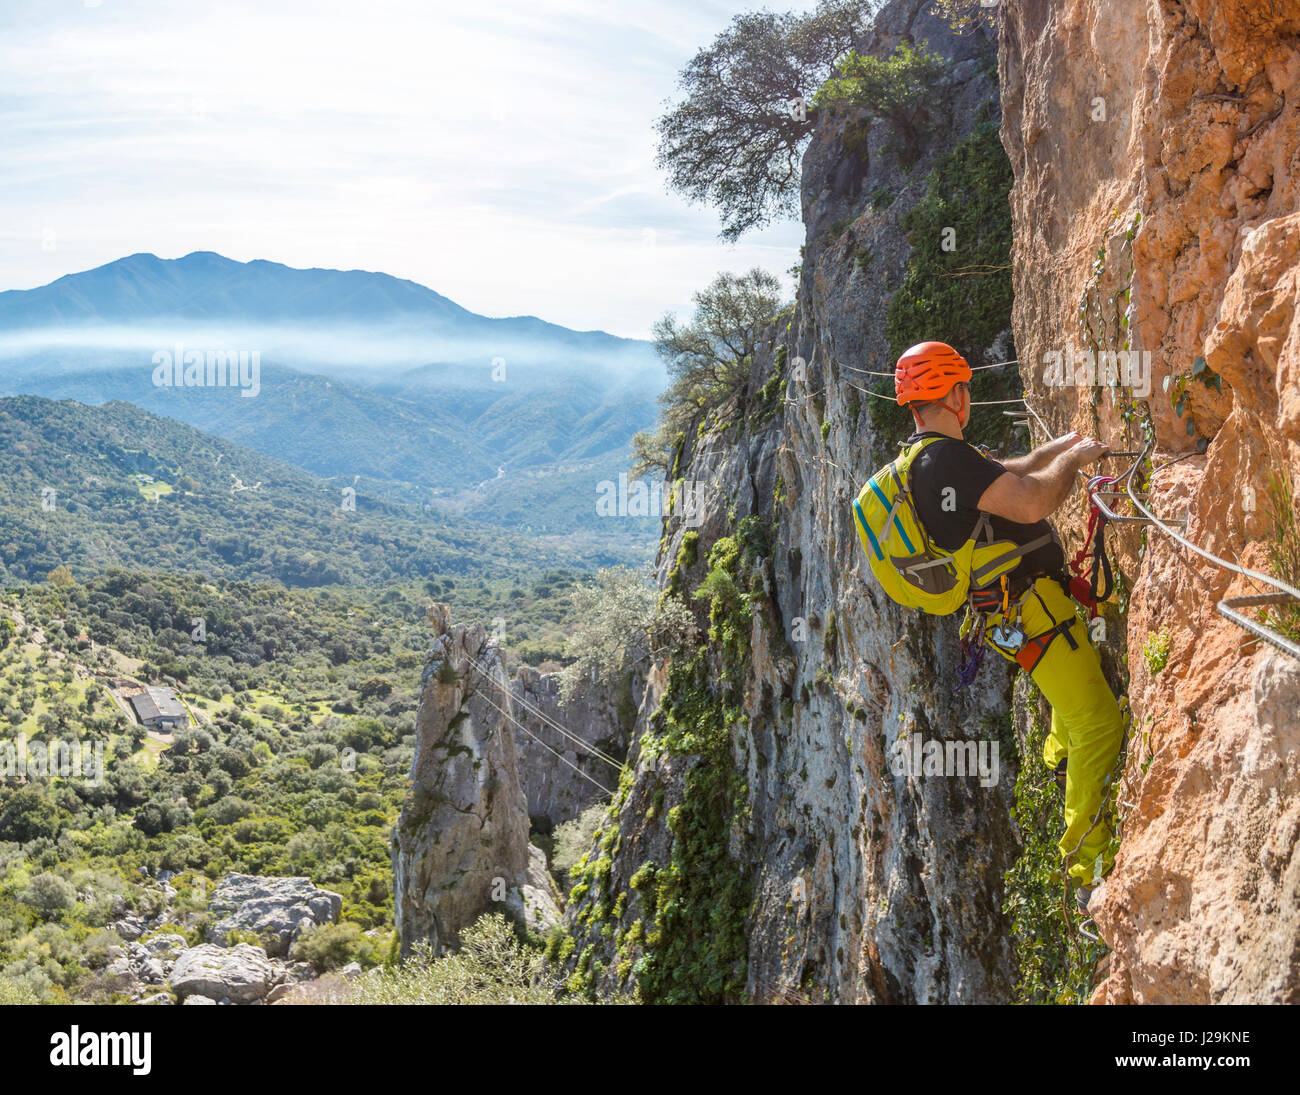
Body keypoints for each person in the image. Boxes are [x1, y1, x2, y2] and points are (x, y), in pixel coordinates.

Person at [894, 340, 1125, 910]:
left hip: (1016, 613)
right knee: (1097, 721)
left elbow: (1009, 471)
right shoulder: (941, 461)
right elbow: (1029, 501)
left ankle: (1057, 759)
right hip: (1031, 608)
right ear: (954, 393)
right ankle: (1088, 864)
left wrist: (1066, 445)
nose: (967, 396)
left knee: (1071, 705)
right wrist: (1075, 462)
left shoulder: (932, 458)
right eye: (963, 387)